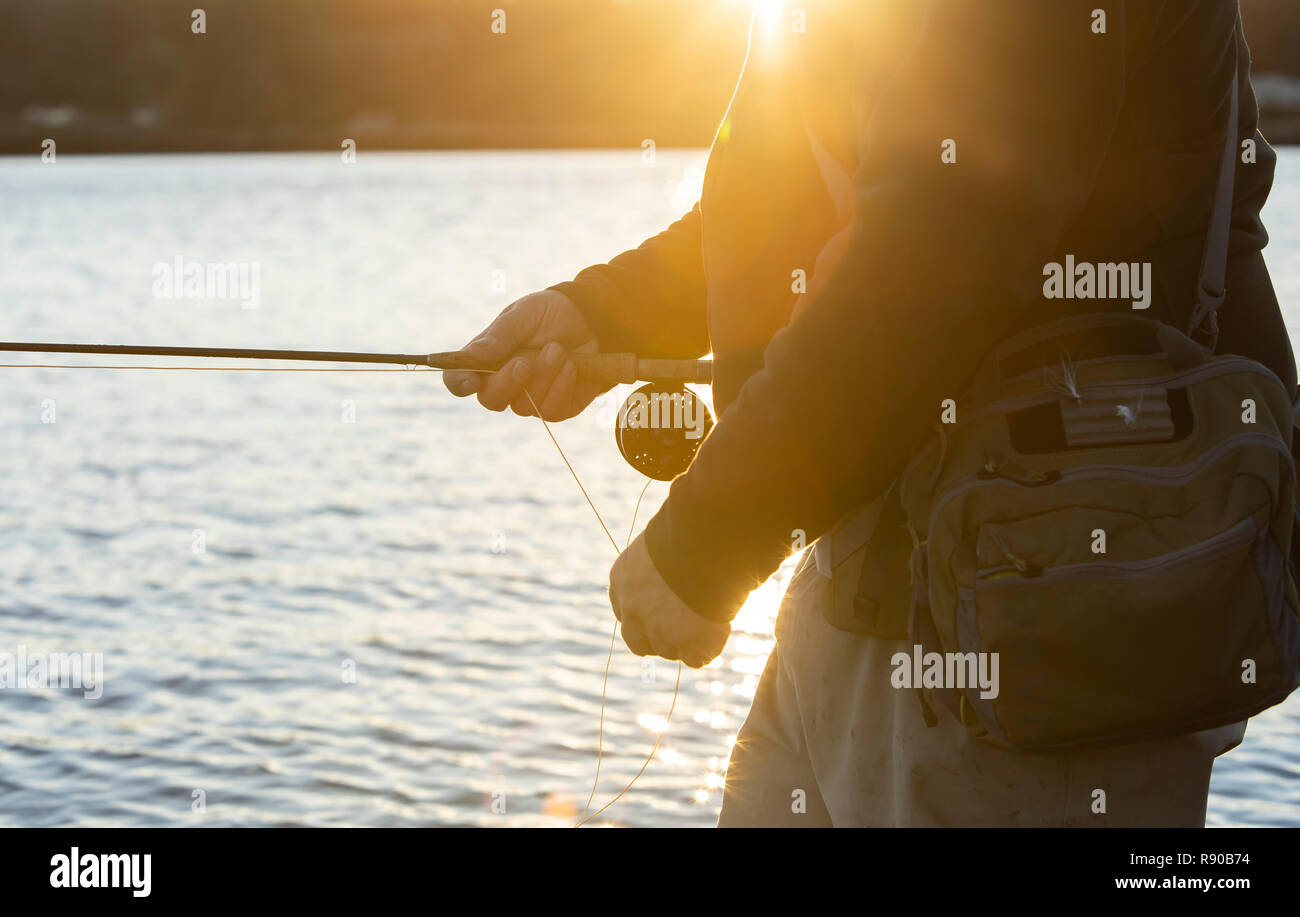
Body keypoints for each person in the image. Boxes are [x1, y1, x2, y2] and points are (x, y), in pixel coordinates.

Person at [445, 0, 1296, 826]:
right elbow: (802, 203)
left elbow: (942, 239)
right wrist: (601, 312)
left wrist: (707, 543)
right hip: (858, 583)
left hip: (1036, 618)